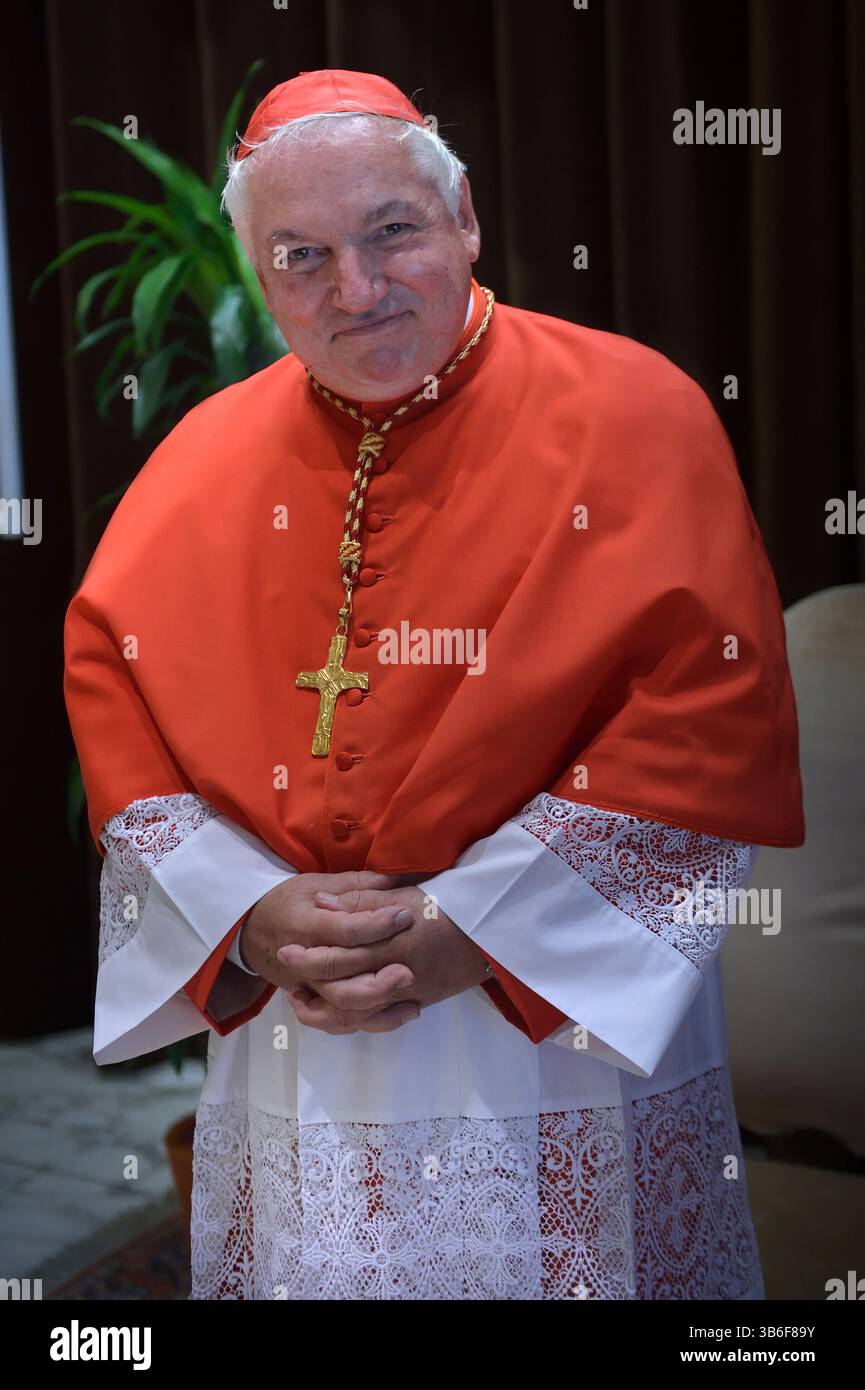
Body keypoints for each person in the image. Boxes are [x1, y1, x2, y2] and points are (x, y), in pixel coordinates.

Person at [63, 68, 805, 1300]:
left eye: (391, 231)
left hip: (561, 1030)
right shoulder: (199, 457)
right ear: (259, 274)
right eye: (300, 254)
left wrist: (472, 932)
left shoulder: (637, 413)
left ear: (463, 215)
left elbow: (705, 717)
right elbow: (117, 707)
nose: (353, 291)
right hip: (301, 1034)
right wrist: (248, 916)